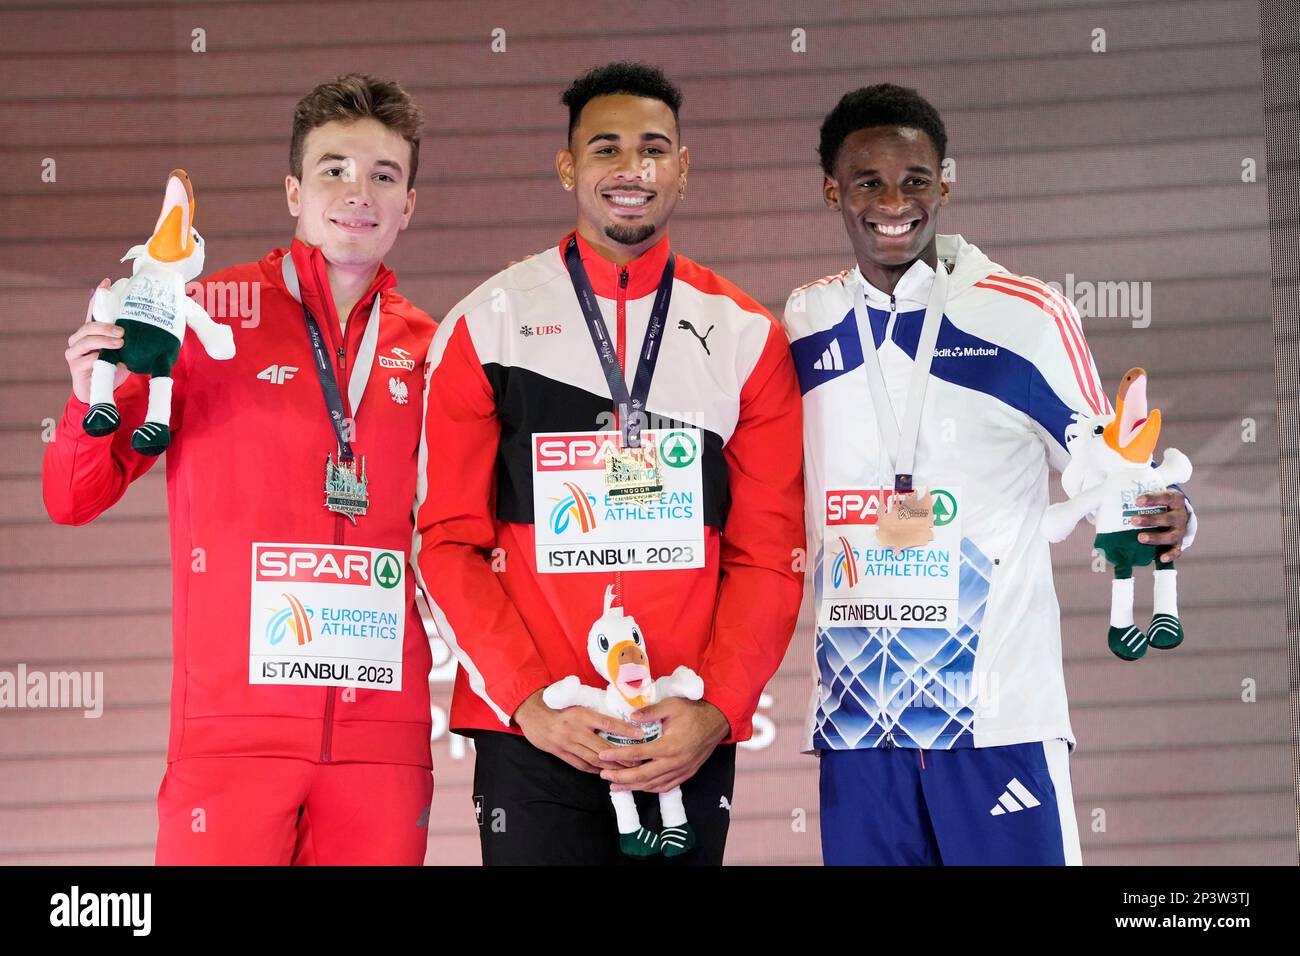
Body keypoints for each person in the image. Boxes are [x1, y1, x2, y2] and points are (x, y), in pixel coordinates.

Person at [783, 84, 1196, 865]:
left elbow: (1108, 470)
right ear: (832, 190)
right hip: (856, 719)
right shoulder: (804, 321)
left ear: (947, 182)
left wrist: (1167, 512)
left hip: (995, 711)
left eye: (915, 178)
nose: (893, 201)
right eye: (867, 181)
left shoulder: (1026, 313)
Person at [414, 61, 805, 865]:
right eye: (606, 150)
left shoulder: (745, 337)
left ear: (683, 169)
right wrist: (529, 701)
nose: (632, 170)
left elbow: (768, 553)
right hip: (537, 730)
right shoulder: (486, 326)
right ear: (568, 168)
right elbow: (446, 541)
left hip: (682, 730)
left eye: (654, 149)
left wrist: (718, 708)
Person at [43, 73, 438, 865]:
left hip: (382, 743)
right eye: (333, 169)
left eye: (383, 175)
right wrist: (88, 393)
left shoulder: (435, 348)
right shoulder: (209, 316)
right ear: (293, 190)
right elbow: (72, 498)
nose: (357, 191)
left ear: (408, 205)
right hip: (232, 737)